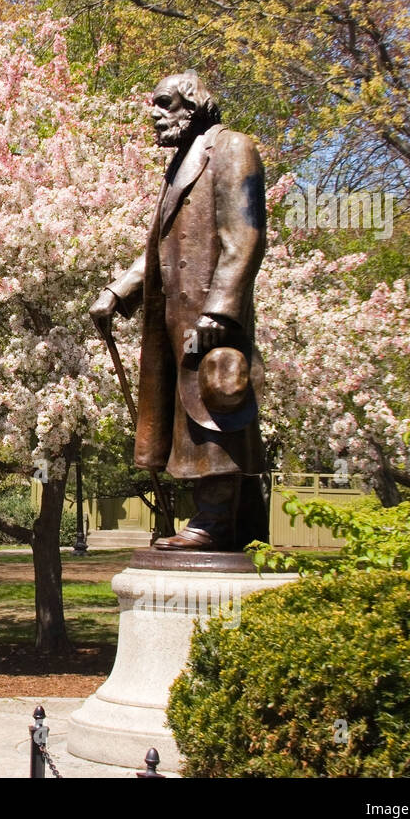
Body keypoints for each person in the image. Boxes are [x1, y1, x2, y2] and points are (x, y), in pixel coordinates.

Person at [90, 70, 269, 552]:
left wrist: (222, 309)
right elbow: (158, 249)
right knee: (182, 416)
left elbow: (246, 236)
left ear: (195, 105)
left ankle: (215, 521)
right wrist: (117, 292)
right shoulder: (181, 166)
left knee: (214, 408)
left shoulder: (231, 148)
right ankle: (212, 518)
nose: (155, 113)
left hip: (209, 314)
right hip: (173, 315)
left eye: (165, 103)